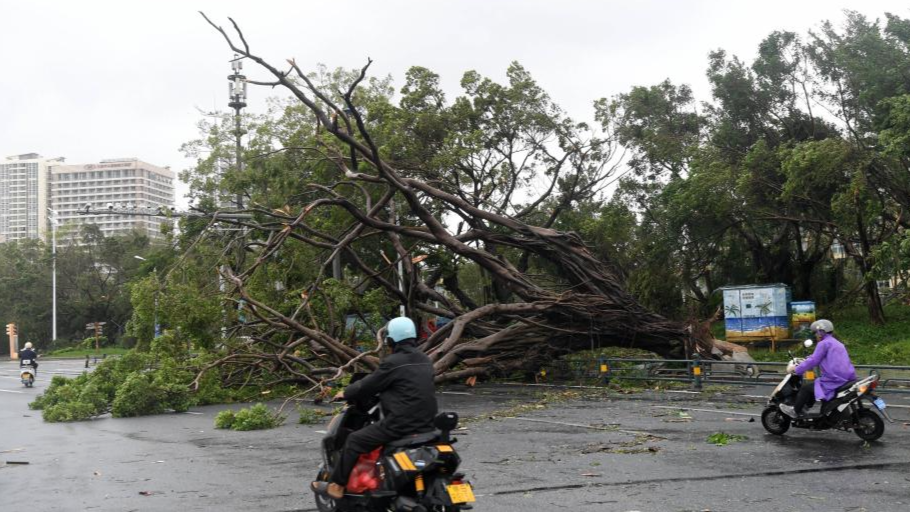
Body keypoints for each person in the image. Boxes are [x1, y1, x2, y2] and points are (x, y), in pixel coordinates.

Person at [312, 316, 438, 500]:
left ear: (390, 340)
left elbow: (367, 385)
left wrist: (345, 393)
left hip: (400, 425)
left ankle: (337, 485)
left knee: (355, 440)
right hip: (428, 424)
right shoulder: (425, 360)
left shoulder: (393, 362)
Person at [779, 319, 856, 418]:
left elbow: (814, 360)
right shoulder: (837, 343)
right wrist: (807, 359)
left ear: (821, 332)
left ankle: (795, 411)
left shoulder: (823, 343)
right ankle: (808, 407)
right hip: (847, 377)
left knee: (806, 388)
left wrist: (796, 369)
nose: (815, 335)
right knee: (815, 385)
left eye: (816, 332)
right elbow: (818, 357)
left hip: (834, 379)